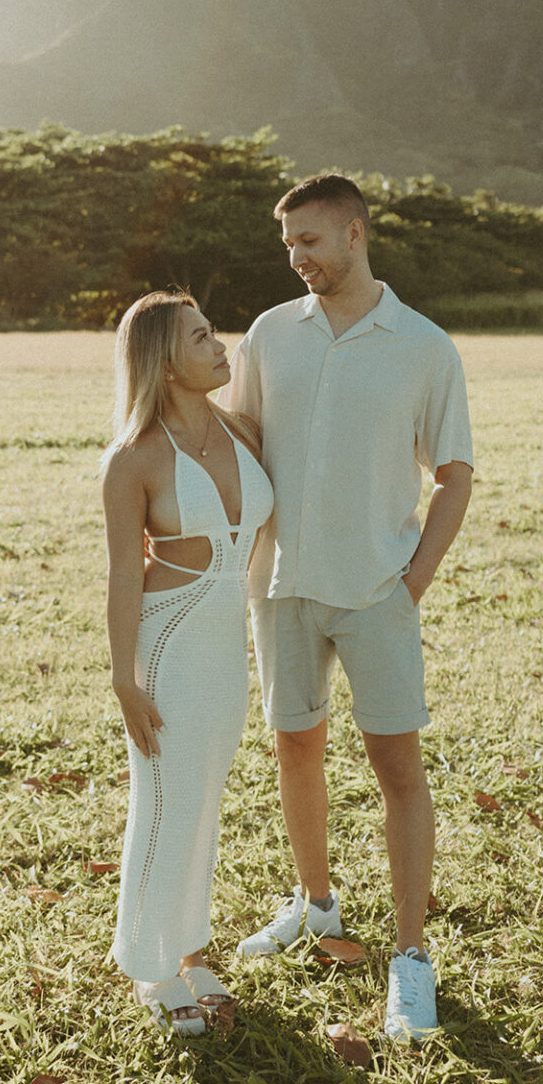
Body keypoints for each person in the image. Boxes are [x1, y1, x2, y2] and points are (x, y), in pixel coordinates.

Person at [220, 173, 473, 1040]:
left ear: (355, 234)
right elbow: (242, 442)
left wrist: (414, 580)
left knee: (397, 769)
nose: (297, 258)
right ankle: (315, 902)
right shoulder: (268, 334)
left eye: (310, 241)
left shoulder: (425, 346)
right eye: (287, 244)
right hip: (280, 583)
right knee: (295, 745)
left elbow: (454, 475)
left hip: (376, 592)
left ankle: (411, 959)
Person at [102, 290, 274, 1035]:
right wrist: (123, 679)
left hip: (226, 646)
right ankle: (150, 965)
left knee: (204, 802)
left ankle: (192, 950)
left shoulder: (243, 432)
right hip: (167, 643)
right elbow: (123, 574)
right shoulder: (133, 459)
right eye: (201, 337)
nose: (219, 345)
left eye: (213, 331)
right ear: (165, 363)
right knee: (165, 802)